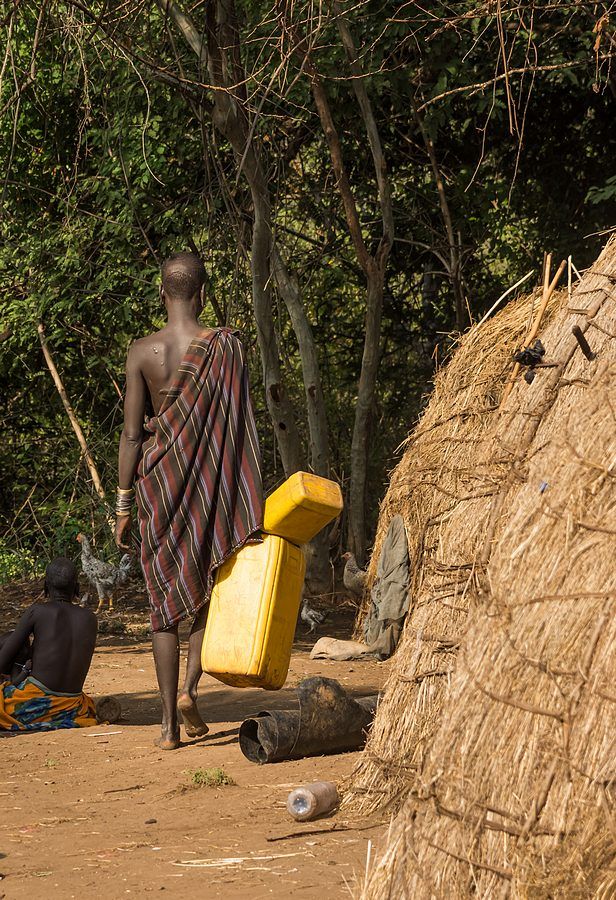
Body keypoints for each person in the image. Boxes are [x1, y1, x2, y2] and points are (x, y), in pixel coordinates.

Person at [115, 252, 263, 750]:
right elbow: (238, 426)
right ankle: (190, 689)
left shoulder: (141, 352)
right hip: (207, 487)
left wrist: (122, 504)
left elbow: (133, 437)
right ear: (202, 293)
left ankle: (166, 728)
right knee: (202, 585)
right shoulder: (225, 347)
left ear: (163, 293)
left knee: (163, 607)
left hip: (158, 485)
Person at [0, 557, 97, 732]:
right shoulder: (90, 618)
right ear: (76, 588)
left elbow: (2, 661)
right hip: (73, 707)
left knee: (9, 638)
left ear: (45, 586)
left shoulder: (37, 612)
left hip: (28, 706)